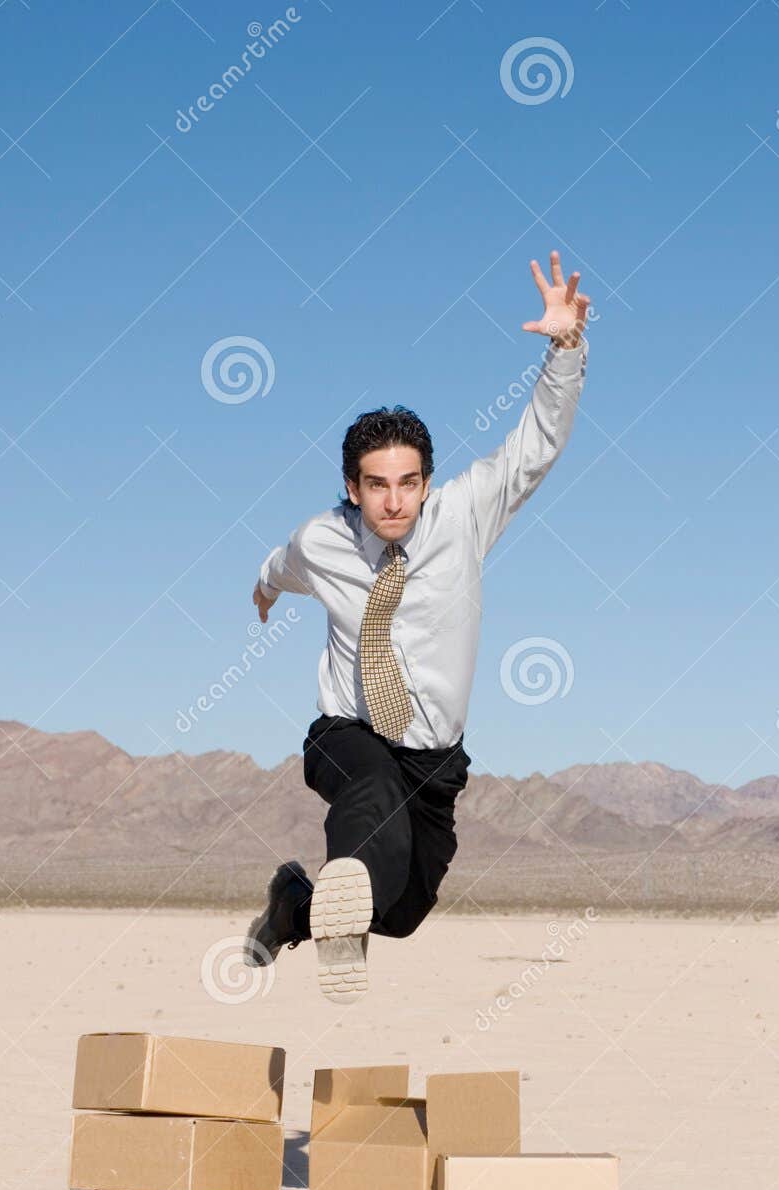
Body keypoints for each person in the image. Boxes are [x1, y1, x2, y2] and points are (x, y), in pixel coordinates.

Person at [245, 251, 590, 1003]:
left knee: (401, 911)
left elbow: (535, 447)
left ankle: (296, 905)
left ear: (427, 483)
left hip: (434, 764)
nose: (393, 502)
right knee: (367, 795)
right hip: (348, 734)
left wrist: (564, 348)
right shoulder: (322, 540)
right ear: (351, 486)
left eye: (407, 483)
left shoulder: (463, 515)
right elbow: (280, 564)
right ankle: (342, 918)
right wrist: (264, 590)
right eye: (376, 485)